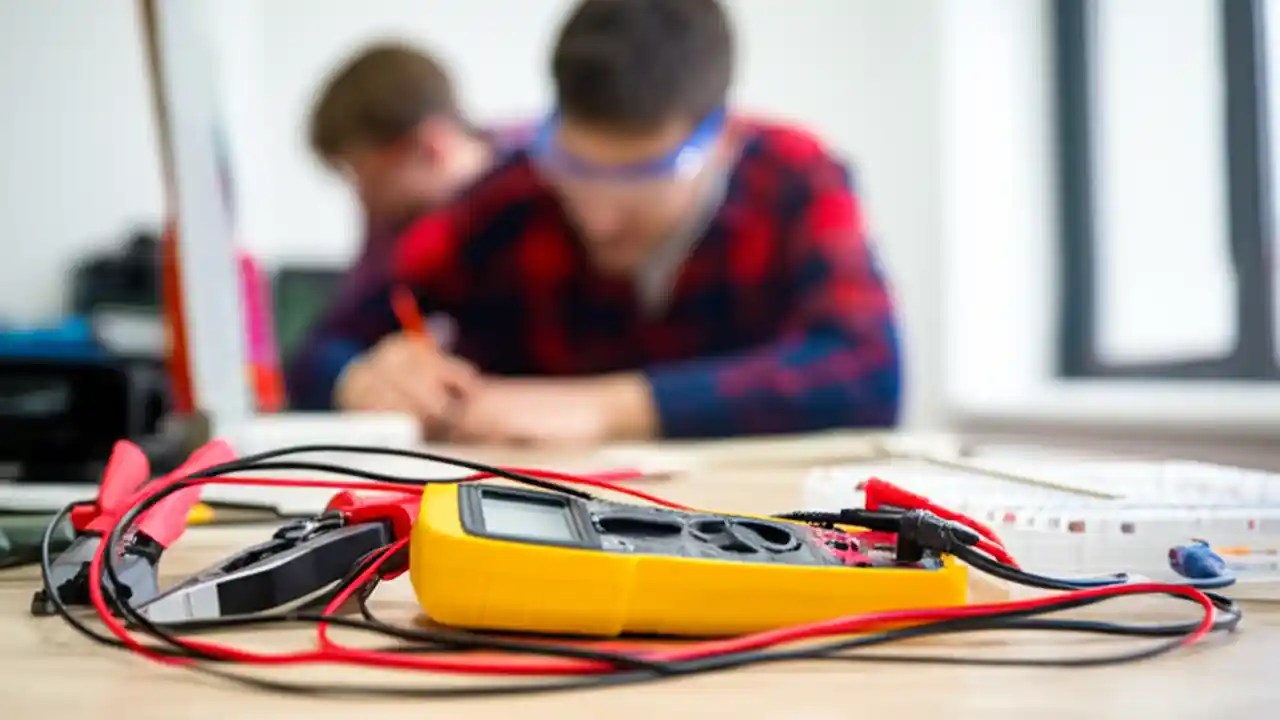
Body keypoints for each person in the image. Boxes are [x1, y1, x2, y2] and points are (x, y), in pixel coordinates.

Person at [290, 0, 901, 445]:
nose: (599, 217)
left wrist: (614, 407)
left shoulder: (797, 176)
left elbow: (868, 370)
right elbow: (317, 352)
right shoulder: (508, 194)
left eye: (639, 178)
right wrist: (361, 379)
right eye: (574, 165)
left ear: (721, 140)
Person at [286, 43, 500, 405]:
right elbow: (317, 353)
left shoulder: (545, 192)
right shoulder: (397, 224)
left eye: (365, 175)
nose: (362, 197)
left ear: (432, 147)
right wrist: (356, 378)